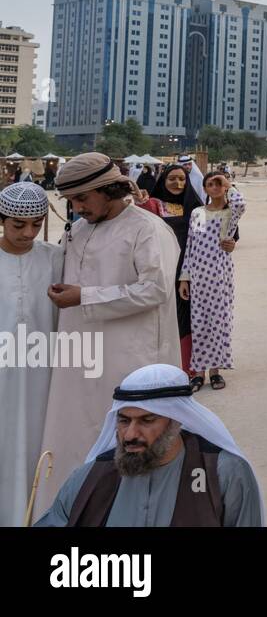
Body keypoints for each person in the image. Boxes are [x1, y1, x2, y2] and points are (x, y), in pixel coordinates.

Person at [34, 153, 182, 520]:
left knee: (126, 445)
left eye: (83, 198)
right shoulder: (79, 229)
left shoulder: (148, 229)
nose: (77, 207)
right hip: (78, 361)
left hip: (128, 360)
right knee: (74, 440)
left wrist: (84, 296)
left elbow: (155, 290)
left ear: (108, 189)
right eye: (71, 201)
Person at [35, 363, 264, 526]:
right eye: (124, 421)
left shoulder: (223, 474)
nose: (130, 434)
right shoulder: (90, 479)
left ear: (176, 421)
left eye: (147, 420)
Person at [0, 182, 62, 526]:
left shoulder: (54, 258)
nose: (28, 232)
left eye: (37, 224)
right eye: (18, 225)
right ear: (2, 220)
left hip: (43, 375)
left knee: (38, 444)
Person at [180, 173, 244, 392]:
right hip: (198, 276)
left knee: (219, 322)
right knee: (199, 323)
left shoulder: (230, 213)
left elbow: (240, 203)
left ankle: (216, 371)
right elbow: (191, 246)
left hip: (220, 275)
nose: (215, 187)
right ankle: (199, 372)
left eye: (219, 184)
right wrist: (184, 278)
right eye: (210, 184)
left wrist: (229, 186)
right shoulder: (198, 213)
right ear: (204, 189)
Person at [150, 163, 204, 377]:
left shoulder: (194, 207)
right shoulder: (154, 205)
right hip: (160, 270)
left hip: (186, 272)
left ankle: (187, 367)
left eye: (182, 179)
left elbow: (209, 236)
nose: (178, 183)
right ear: (163, 180)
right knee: (161, 317)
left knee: (186, 318)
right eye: (172, 178)